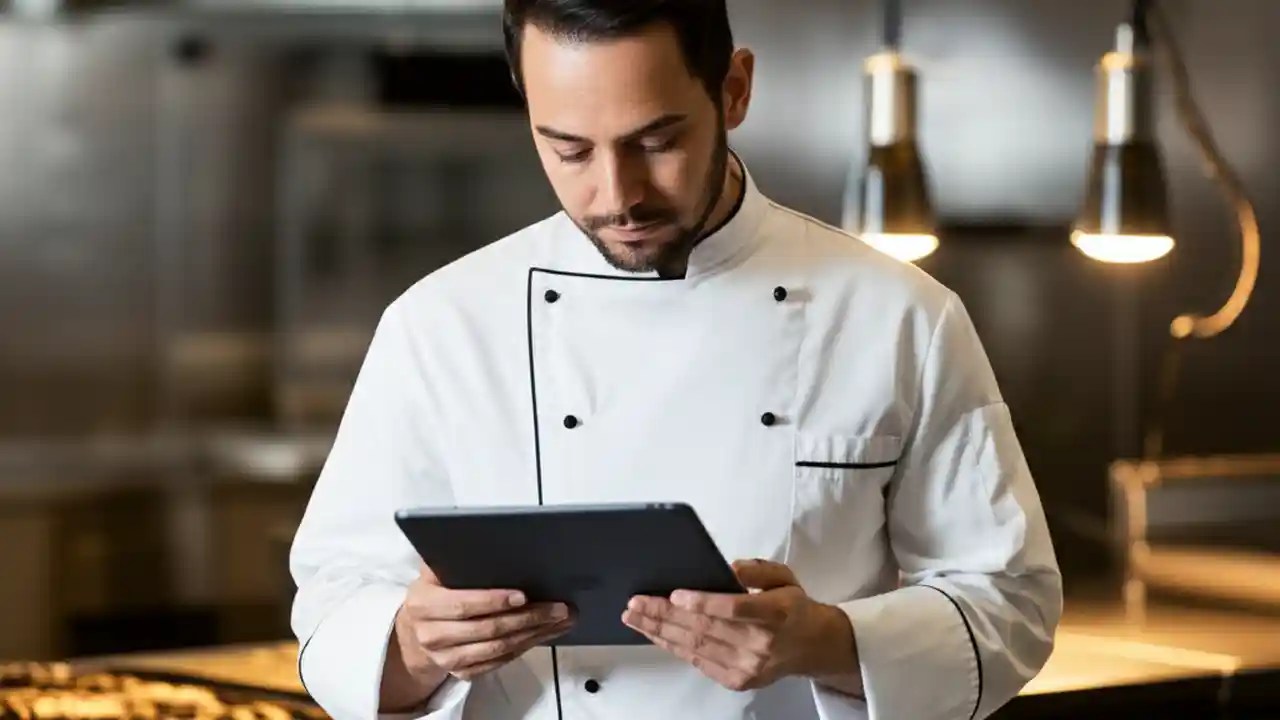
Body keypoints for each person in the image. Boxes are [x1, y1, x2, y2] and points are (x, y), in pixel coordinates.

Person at [288, 1, 1062, 718]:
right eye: (568, 149)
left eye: (655, 142)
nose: (616, 195)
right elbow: (334, 601)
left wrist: (827, 641)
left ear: (734, 90)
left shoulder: (898, 316)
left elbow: (1011, 605)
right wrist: (415, 644)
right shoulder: (440, 326)